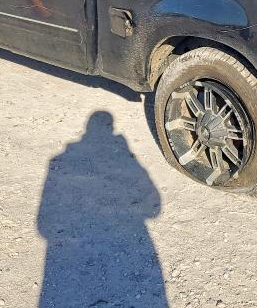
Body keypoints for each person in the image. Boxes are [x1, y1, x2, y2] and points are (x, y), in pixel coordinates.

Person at [37, 111, 166, 307]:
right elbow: (154, 209)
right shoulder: (126, 157)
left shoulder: (62, 158)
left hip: (69, 256)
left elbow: (43, 225)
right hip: (128, 241)